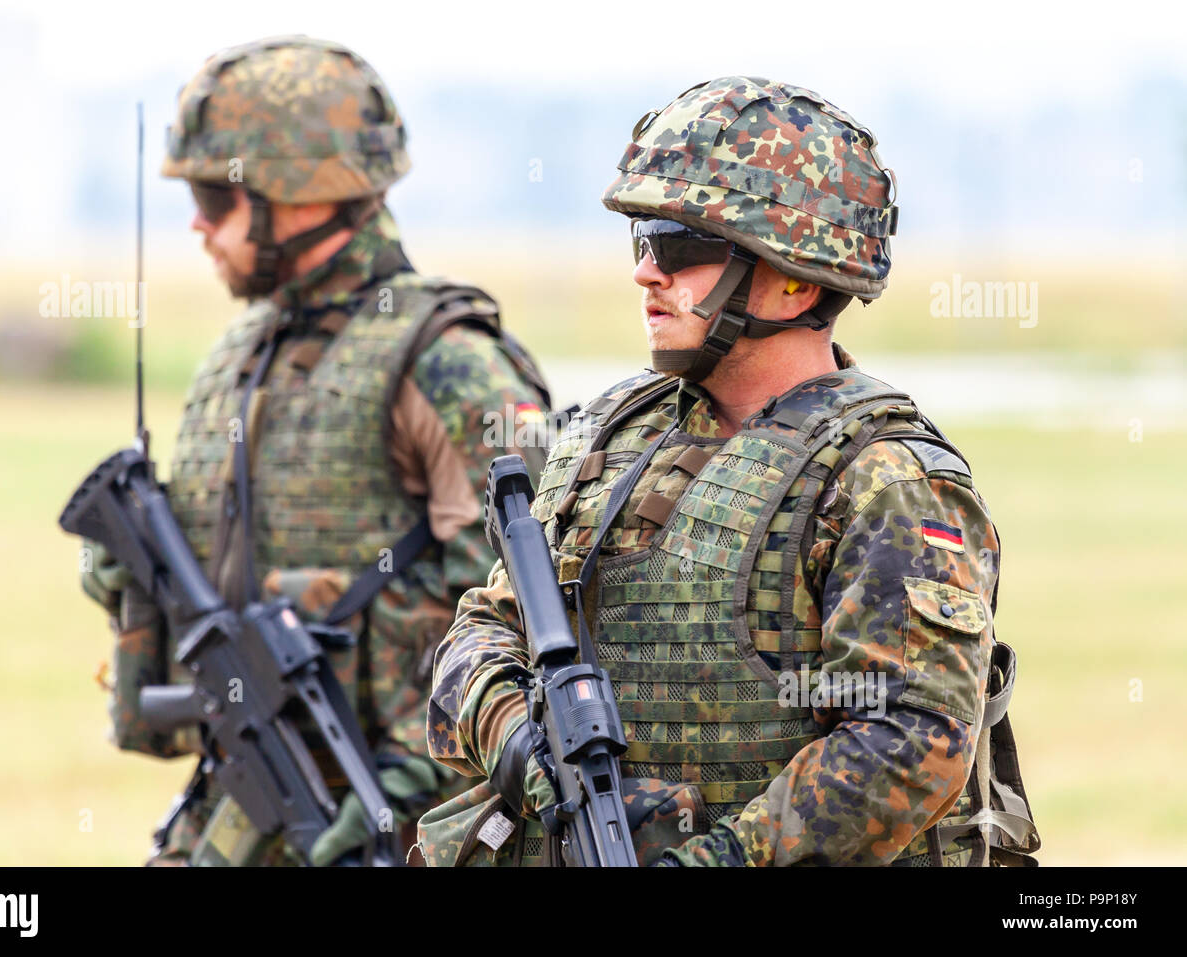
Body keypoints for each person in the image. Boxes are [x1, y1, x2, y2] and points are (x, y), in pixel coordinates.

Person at [418, 76, 1040, 866]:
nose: (647, 273)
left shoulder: (884, 477)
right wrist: (521, 747)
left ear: (795, 274)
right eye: (641, 241)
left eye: (679, 247)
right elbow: (484, 629)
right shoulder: (607, 437)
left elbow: (911, 742)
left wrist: (714, 860)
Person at [76, 35, 550, 866]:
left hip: (400, 819)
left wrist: (409, 782)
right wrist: (129, 578)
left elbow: (527, 602)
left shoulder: (448, 359)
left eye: (211, 195)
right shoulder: (239, 354)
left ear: (297, 195)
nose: (195, 222)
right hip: (249, 794)